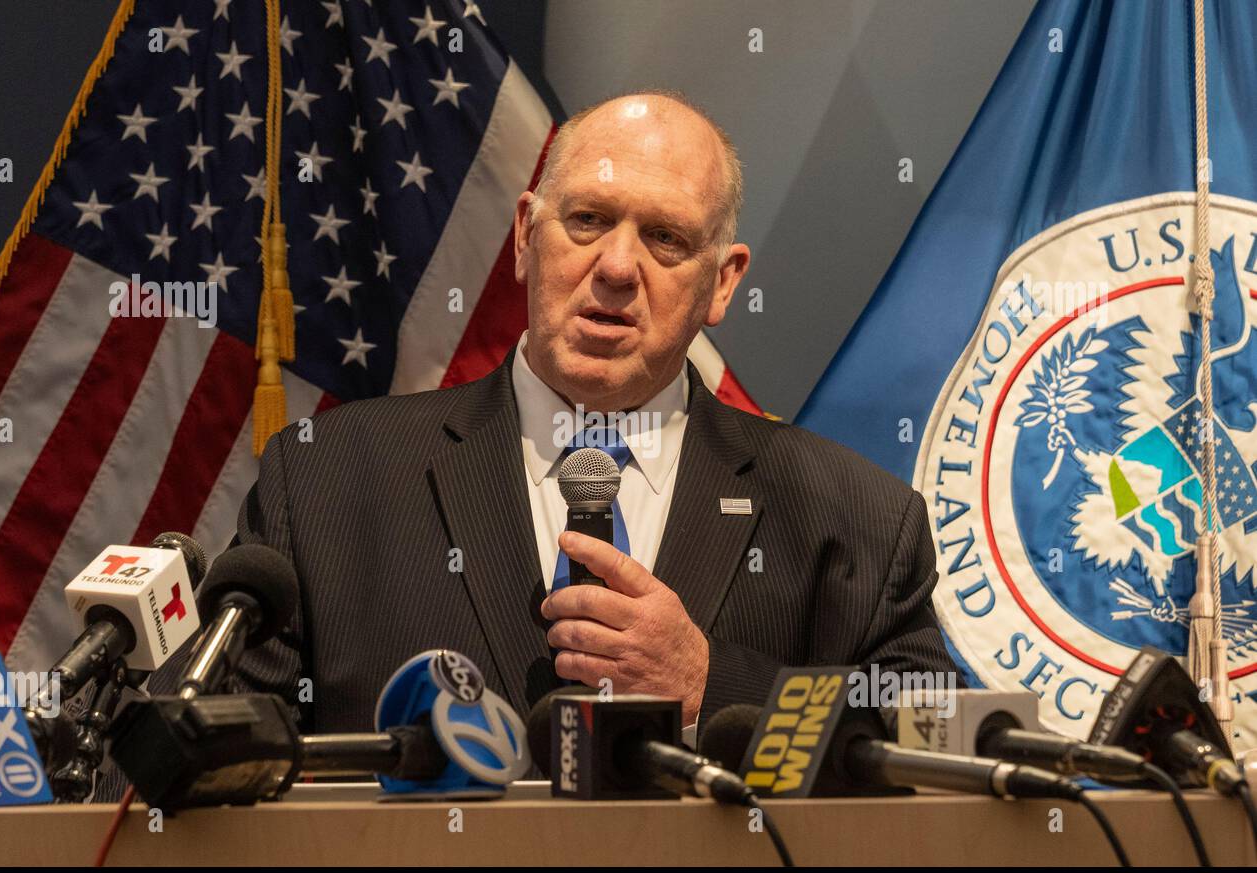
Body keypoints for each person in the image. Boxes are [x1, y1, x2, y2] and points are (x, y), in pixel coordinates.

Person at [160, 90, 958, 746]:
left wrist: (712, 688)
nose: (615, 267)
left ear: (722, 283)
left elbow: (935, 744)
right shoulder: (330, 479)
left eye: (666, 237)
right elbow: (208, 749)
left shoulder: (855, 519)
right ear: (522, 238)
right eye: (586, 220)